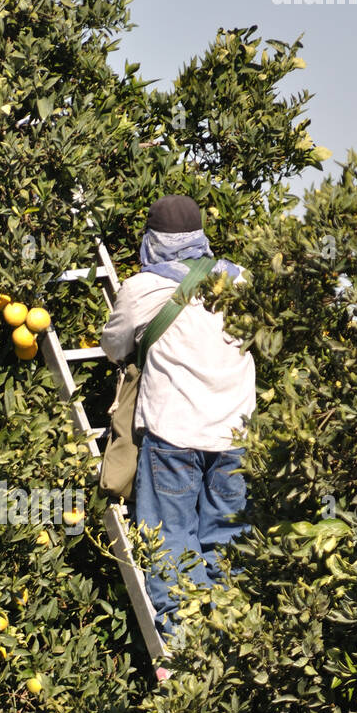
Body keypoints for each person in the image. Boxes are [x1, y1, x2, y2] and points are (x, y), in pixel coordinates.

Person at [100, 195, 255, 676]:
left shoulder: (142, 286)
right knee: (227, 540)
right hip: (236, 433)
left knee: (170, 539)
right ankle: (234, 642)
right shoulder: (241, 279)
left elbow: (113, 347)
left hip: (174, 435)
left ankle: (183, 649)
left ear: (152, 239)